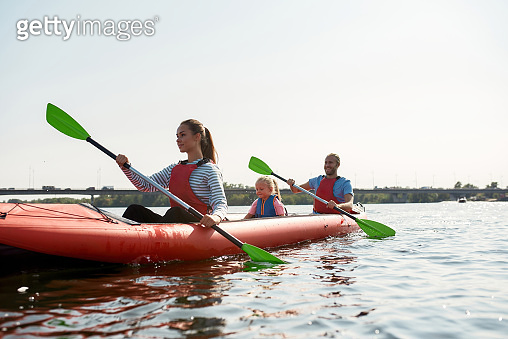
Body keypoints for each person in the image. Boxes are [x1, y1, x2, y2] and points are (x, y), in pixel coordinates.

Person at [115, 119, 227, 227]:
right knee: (134, 210)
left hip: (198, 224)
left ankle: (155, 240)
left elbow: (220, 202)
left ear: (197, 137)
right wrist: (126, 167)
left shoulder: (210, 169)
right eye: (177, 136)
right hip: (175, 223)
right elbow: (144, 185)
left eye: (183, 135)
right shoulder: (173, 169)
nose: (178, 140)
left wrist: (216, 217)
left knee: (176, 212)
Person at [287, 153, 354, 213]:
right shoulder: (316, 180)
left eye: (330, 162)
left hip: (336, 217)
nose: (327, 165)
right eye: (326, 163)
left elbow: (350, 205)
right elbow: (296, 190)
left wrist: (337, 206)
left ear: (338, 165)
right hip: (318, 217)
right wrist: (292, 184)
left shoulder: (345, 183)